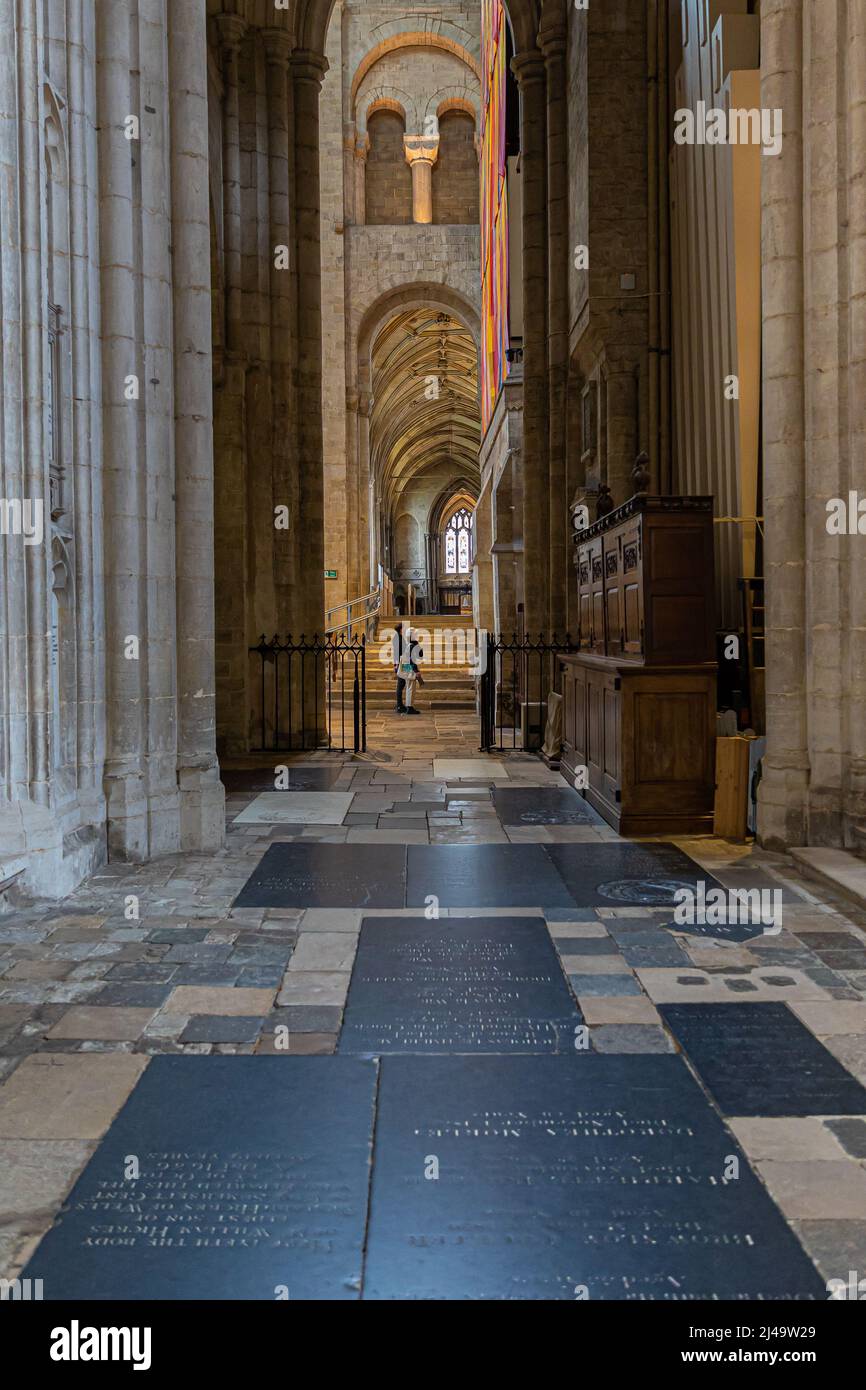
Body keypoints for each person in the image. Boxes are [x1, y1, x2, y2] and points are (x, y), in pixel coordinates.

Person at [392, 623, 423, 715]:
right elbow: (411, 659)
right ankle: (406, 707)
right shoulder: (399, 639)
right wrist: (415, 671)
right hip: (405, 665)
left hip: (404, 664)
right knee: (409, 686)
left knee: (405, 685)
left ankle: (403, 706)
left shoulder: (408, 642)